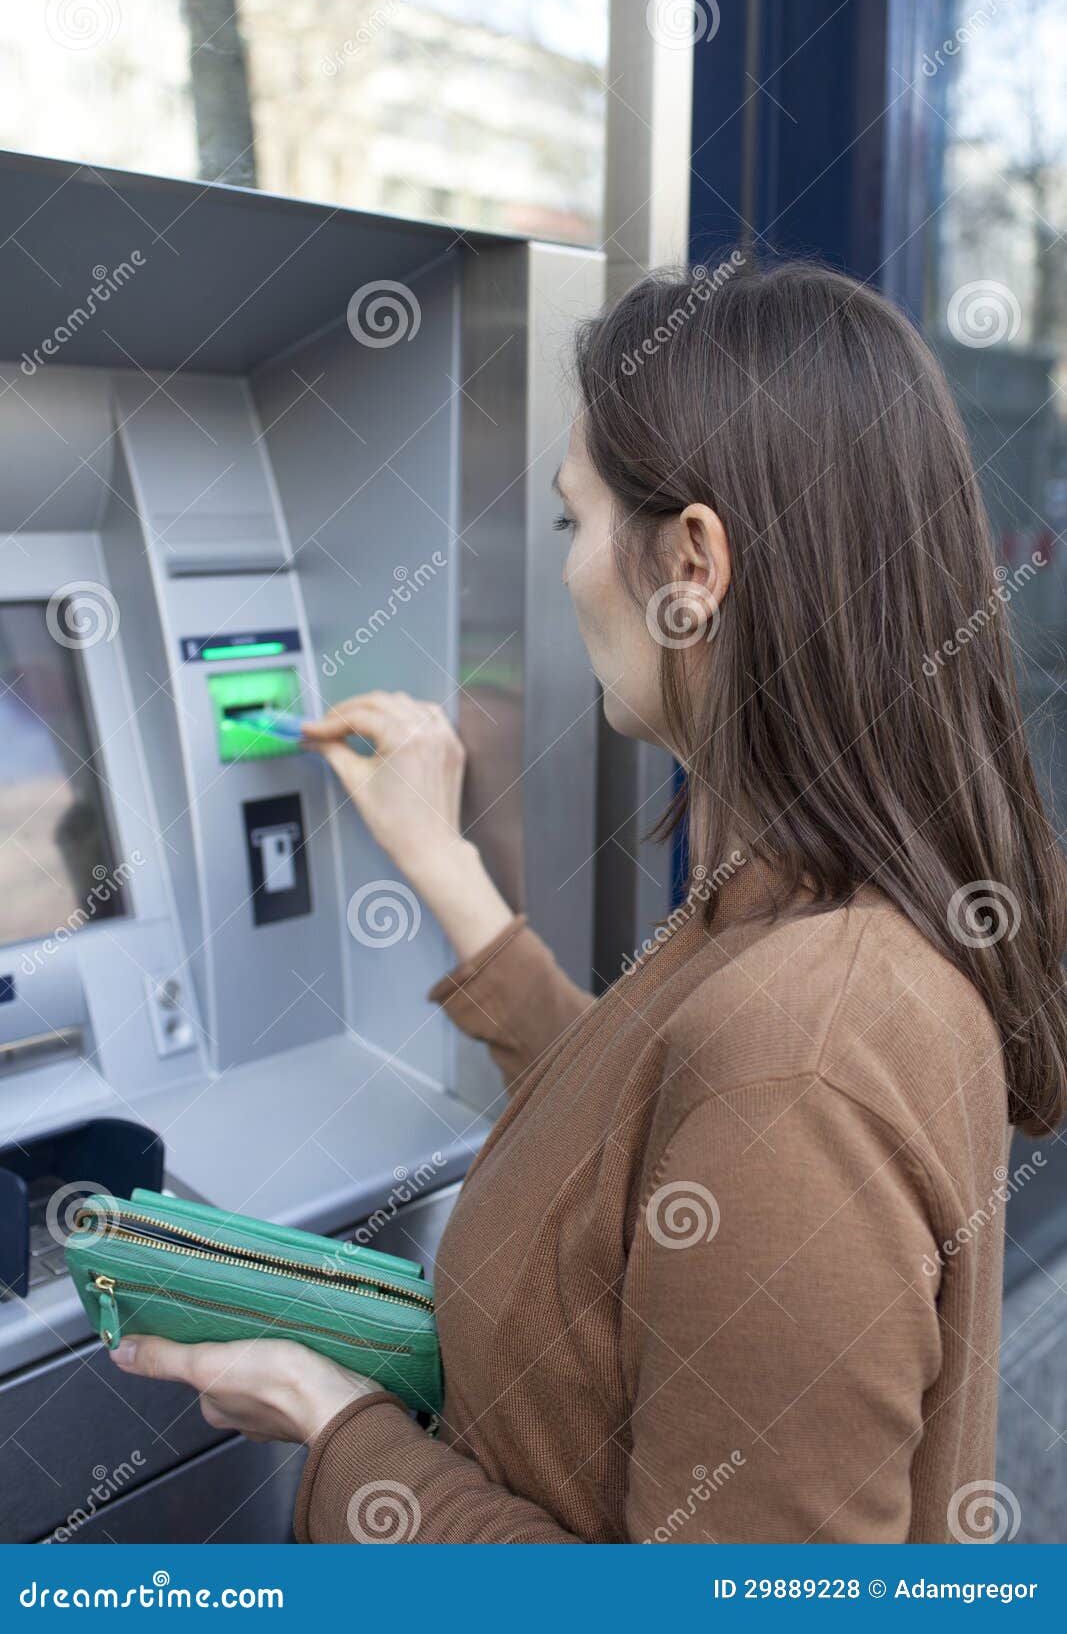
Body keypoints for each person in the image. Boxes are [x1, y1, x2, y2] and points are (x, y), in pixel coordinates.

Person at [109, 257, 1067, 1543]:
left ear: (691, 561)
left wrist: (338, 1426)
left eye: (571, 521)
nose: (564, 572)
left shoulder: (801, 1048)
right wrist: (443, 867)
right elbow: (647, 1143)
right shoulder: (805, 918)